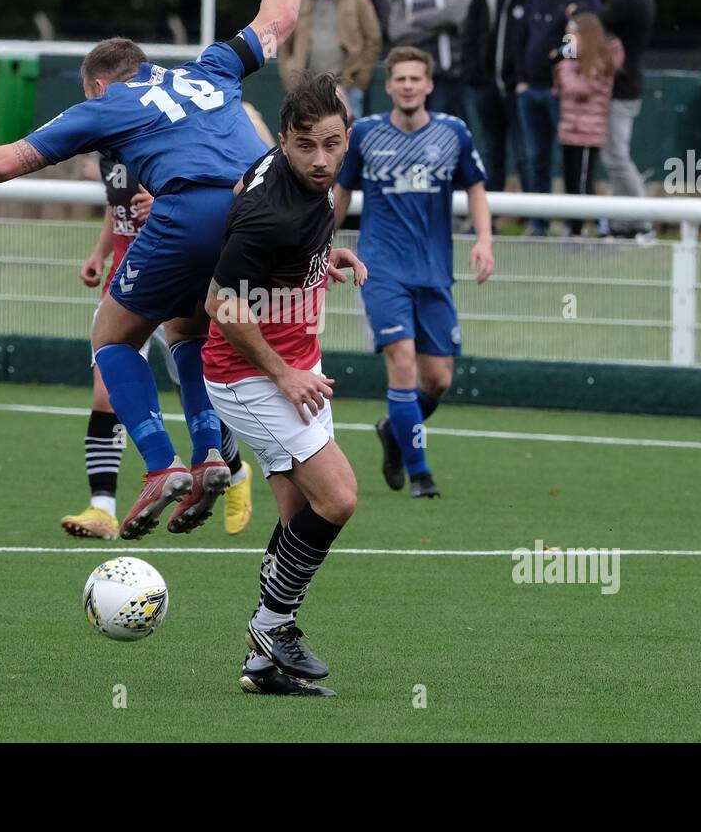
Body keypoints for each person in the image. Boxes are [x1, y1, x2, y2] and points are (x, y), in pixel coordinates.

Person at [0, 0, 306, 540]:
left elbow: (8, 160)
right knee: (188, 328)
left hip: (196, 213)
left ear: (100, 83)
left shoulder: (107, 105)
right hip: (265, 214)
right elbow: (278, 23)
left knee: (111, 335)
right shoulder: (208, 68)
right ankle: (211, 454)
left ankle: (160, 465)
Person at [203, 73, 367, 697]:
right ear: (283, 141)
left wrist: (330, 257)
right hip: (252, 376)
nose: (320, 159)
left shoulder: (308, 184)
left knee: (300, 515)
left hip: (297, 367)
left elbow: (298, 249)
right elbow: (222, 304)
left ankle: (263, 666)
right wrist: (284, 374)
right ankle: (271, 627)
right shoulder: (267, 212)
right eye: (306, 146)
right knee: (340, 497)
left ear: (346, 134)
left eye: (331, 143)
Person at [61, 151, 253, 539]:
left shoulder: (161, 136)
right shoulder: (105, 145)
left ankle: (233, 471)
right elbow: (116, 208)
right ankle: (102, 508)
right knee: (106, 393)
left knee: (194, 391)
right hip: (125, 283)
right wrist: (101, 252)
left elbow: (213, 198)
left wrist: (167, 207)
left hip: (174, 270)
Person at [334, 46, 495, 497]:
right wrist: (322, 245)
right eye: (399, 79)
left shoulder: (453, 133)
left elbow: (477, 187)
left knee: (438, 379)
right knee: (402, 363)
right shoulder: (363, 134)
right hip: (382, 268)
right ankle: (421, 474)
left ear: (428, 85)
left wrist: (484, 239)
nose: (407, 85)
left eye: (415, 78)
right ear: (388, 86)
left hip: (435, 272)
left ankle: (395, 429)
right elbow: (341, 194)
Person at [512, 0, 600, 235]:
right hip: (530, 90)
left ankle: (573, 224)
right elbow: (522, 38)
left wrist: (558, 63)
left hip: (564, 95)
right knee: (536, 159)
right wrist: (522, 79)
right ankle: (539, 221)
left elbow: (586, 41)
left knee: (569, 163)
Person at [462, 0, 540, 193]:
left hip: (519, 88)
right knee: (489, 155)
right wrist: (474, 74)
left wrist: (524, 77)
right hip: (486, 87)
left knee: (526, 154)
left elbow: (539, 39)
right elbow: (470, 33)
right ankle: (488, 220)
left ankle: (535, 223)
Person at [280, 0, 382, 122]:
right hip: (305, 87)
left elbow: (373, 39)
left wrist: (359, 82)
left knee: (349, 139)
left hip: (347, 87)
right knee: (306, 138)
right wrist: (291, 78)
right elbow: (284, 42)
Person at [596, 0, 656, 241]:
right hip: (626, 87)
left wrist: (575, 15)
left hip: (620, 89)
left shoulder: (627, 0)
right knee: (616, 158)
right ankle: (623, 224)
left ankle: (643, 223)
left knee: (617, 158)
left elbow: (592, 25)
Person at [389, 0, 480, 122]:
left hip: (449, 78)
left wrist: (414, 20)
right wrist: (440, 26)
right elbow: (396, 32)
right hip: (414, 81)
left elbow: (456, 14)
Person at [554, 13, 623, 237]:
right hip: (570, 132)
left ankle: (604, 229)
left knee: (584, 185)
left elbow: (579, 89)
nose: (569, 43)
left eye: (573, 38)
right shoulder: (574, 64)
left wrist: (564, 66)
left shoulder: (596, 64)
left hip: (586, 135)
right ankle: (575, 232)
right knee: (572, 185)